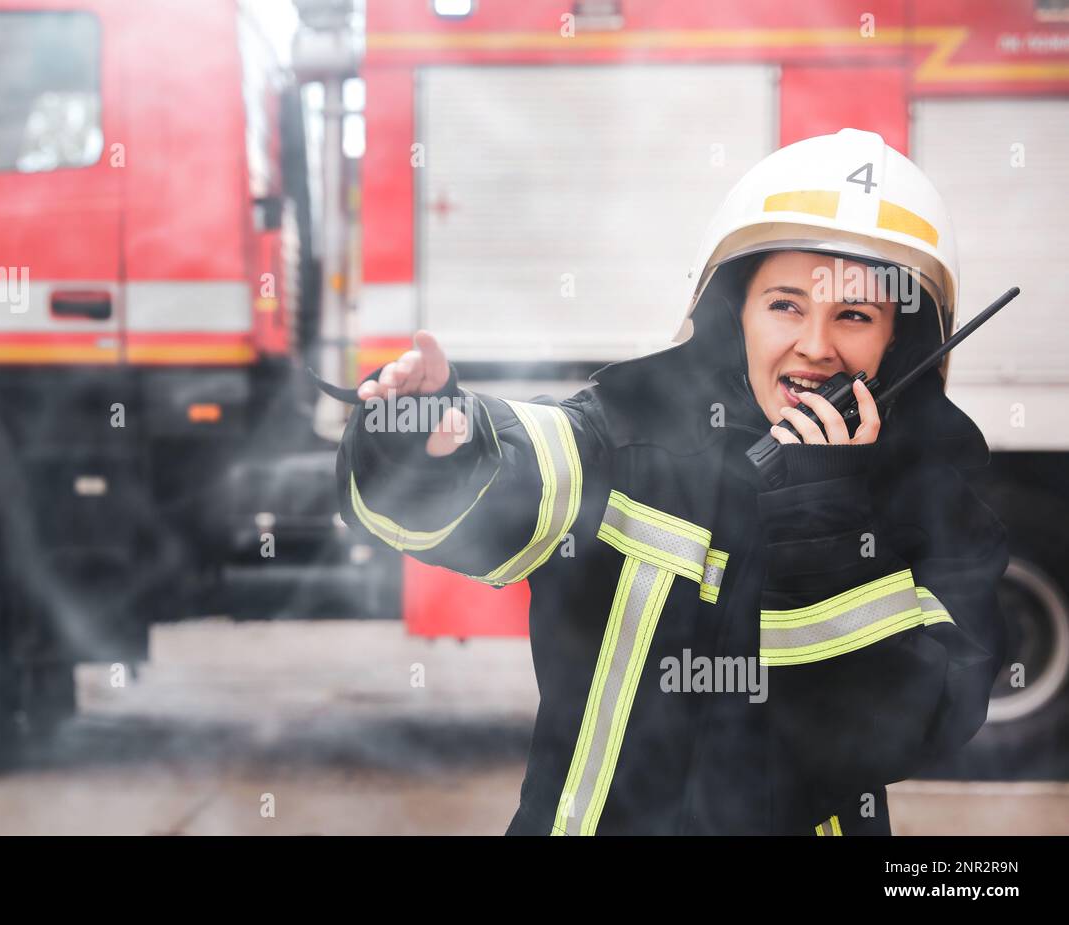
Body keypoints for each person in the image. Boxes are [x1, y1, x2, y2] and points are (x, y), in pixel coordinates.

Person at [331, 128, 1008, 835]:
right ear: (734, 310)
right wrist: (429, 440)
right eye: (785, 305)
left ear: (899, 339)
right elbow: (507, 473)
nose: (814, 344)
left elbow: (913, 726)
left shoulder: (931, 494)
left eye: (855, 315)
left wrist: (826, 522)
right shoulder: (625, 433)